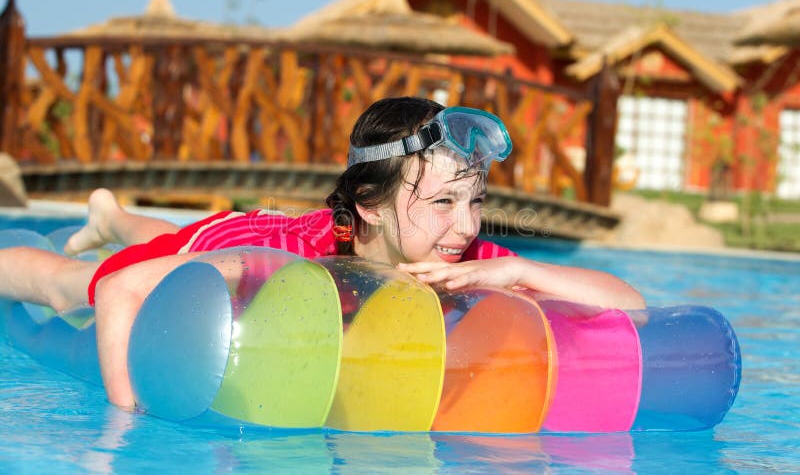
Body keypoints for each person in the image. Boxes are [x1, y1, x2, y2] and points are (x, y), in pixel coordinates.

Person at [0, 97, 644, 410]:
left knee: (144, 236)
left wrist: (519, 269)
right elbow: (121, 295)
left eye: (474, 202)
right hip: (233, 238)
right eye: (444, 204)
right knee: (76, 286)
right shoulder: (282, 255)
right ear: (369, 205)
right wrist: (129, 427)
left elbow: (632, 307)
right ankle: (113, 228)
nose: (464, 225)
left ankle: (115, 216)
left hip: (294, 230)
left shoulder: (465, 252)